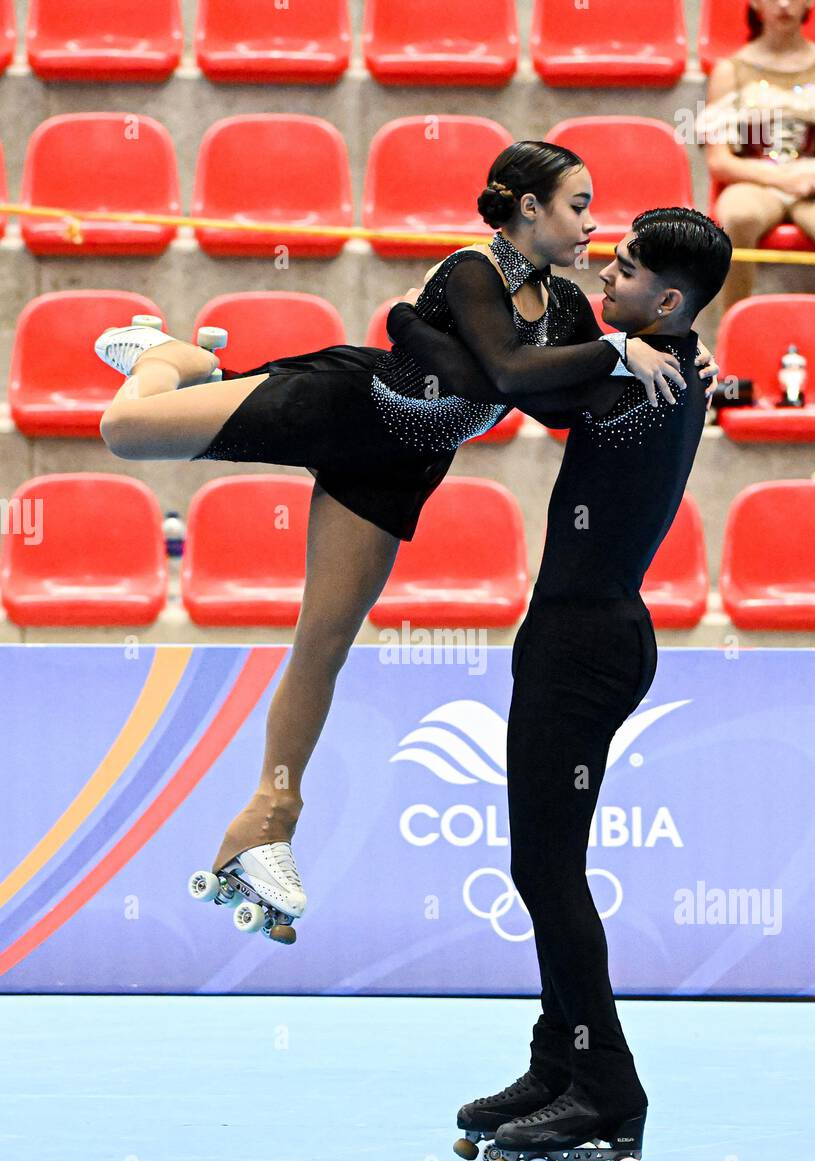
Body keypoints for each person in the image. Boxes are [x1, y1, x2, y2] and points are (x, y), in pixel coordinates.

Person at [96, 141, 715, 941]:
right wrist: (615, 351)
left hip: (400, 463)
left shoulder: (564, 308)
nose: (592, 226)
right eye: (578, 206)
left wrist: (672, 352)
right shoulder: (470, 271)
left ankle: (267, 824)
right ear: (530, 209)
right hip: (346, 405)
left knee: (322, 641)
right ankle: (165, 356)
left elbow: (557, 404)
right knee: (124, 429)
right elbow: (501, 374)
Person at [393, 208, 733, 1161]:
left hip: (587, 647)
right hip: (581, 634)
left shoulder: (634, 376)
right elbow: (554, 362)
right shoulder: (662, 355)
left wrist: (405, 327)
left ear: (666, 301)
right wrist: (623, 340)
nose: (602, 275)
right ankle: (557, 1062)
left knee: (548, 873)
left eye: (623, 269)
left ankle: (606, 1090)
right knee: (540, 869)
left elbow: (498, 380)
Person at [704, 0, 815, 313]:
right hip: (754, 176)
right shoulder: (729, 71)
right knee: (738, 217)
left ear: (809, 3)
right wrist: (783, 179)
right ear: (755, 4)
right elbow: (719, 162)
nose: (784, 4)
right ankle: (735, 330)